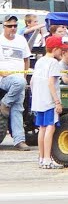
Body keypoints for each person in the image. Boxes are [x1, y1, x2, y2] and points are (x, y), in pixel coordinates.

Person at [31, 35, 68, 168]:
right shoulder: (53, 63)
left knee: (42, 128)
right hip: (49, 101)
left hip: (39, 100)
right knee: (50, 127)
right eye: (60, 49)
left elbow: (32, 81)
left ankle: (42, 158)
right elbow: (51, 83)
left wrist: (35, 96)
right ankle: (47, 159)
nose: (61, 52)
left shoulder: (40, 61)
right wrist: (57, 102)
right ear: (55, 49)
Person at [0, 15, 33, 150]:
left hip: (19, 79)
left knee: (18, 108)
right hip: (3, 78)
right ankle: (5, 103)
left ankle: (19, 140)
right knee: (18, 82)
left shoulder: (21, 40)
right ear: (4, 26)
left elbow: (26, 59)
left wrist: (25, 76)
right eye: (10, 26)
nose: (13, 28)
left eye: (15, 26)